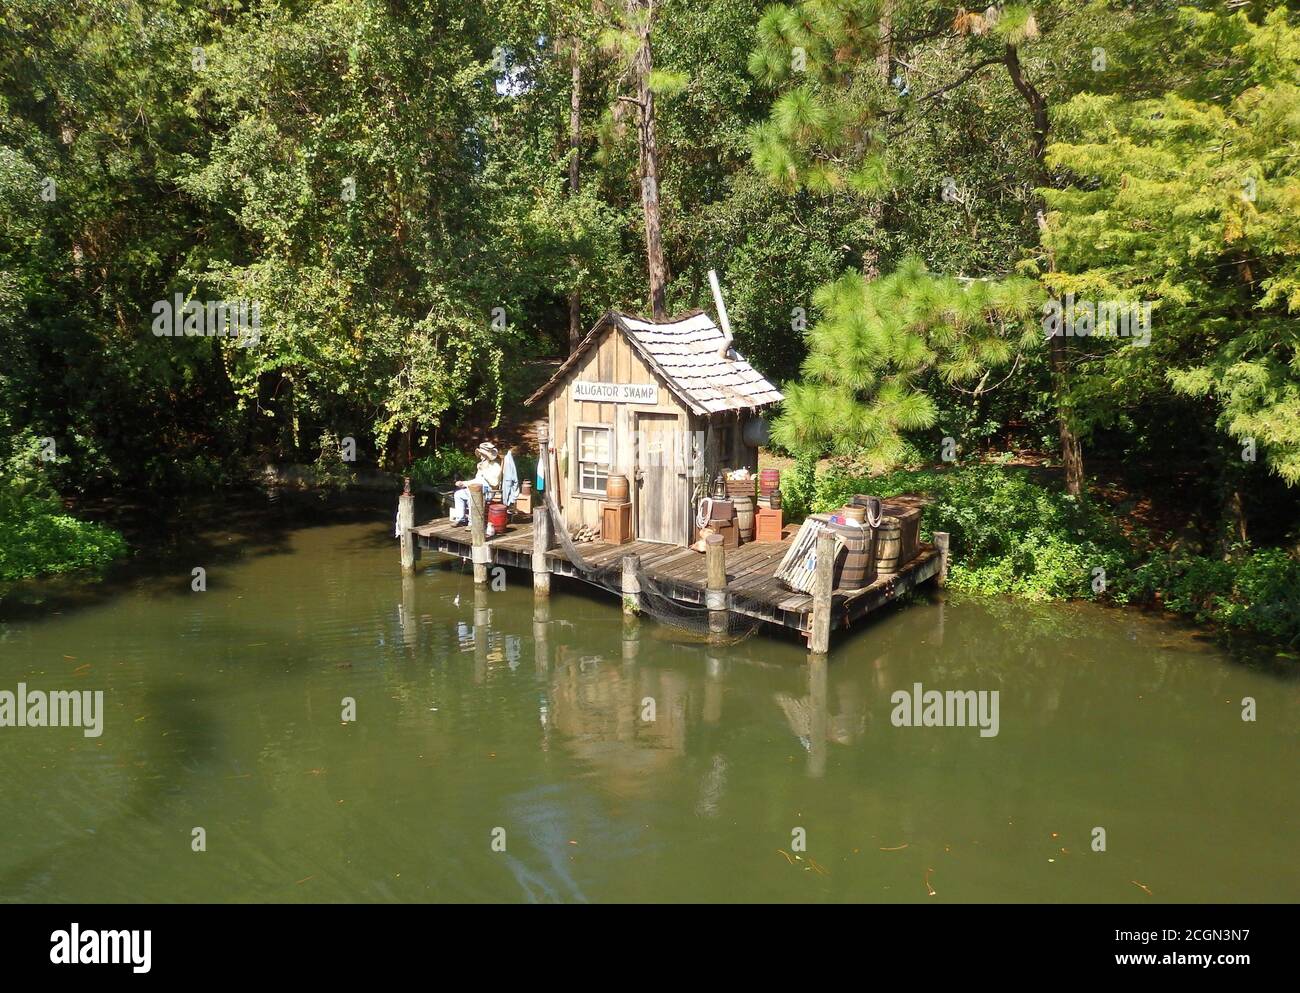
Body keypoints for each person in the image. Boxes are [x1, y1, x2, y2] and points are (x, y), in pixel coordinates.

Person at [450, 442, 503, 526]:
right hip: (475, 489)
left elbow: (494, 482)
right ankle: (460, 519)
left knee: (472, 496)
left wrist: (484, 471)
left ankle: (472, 523)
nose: (480, 456)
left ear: (487, 456)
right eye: (480, 454)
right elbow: (476, 480)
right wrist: (463, 483)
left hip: (487, 492)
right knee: (458, 494)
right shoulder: (480, 465)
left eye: (482, 454)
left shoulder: (495, 466)